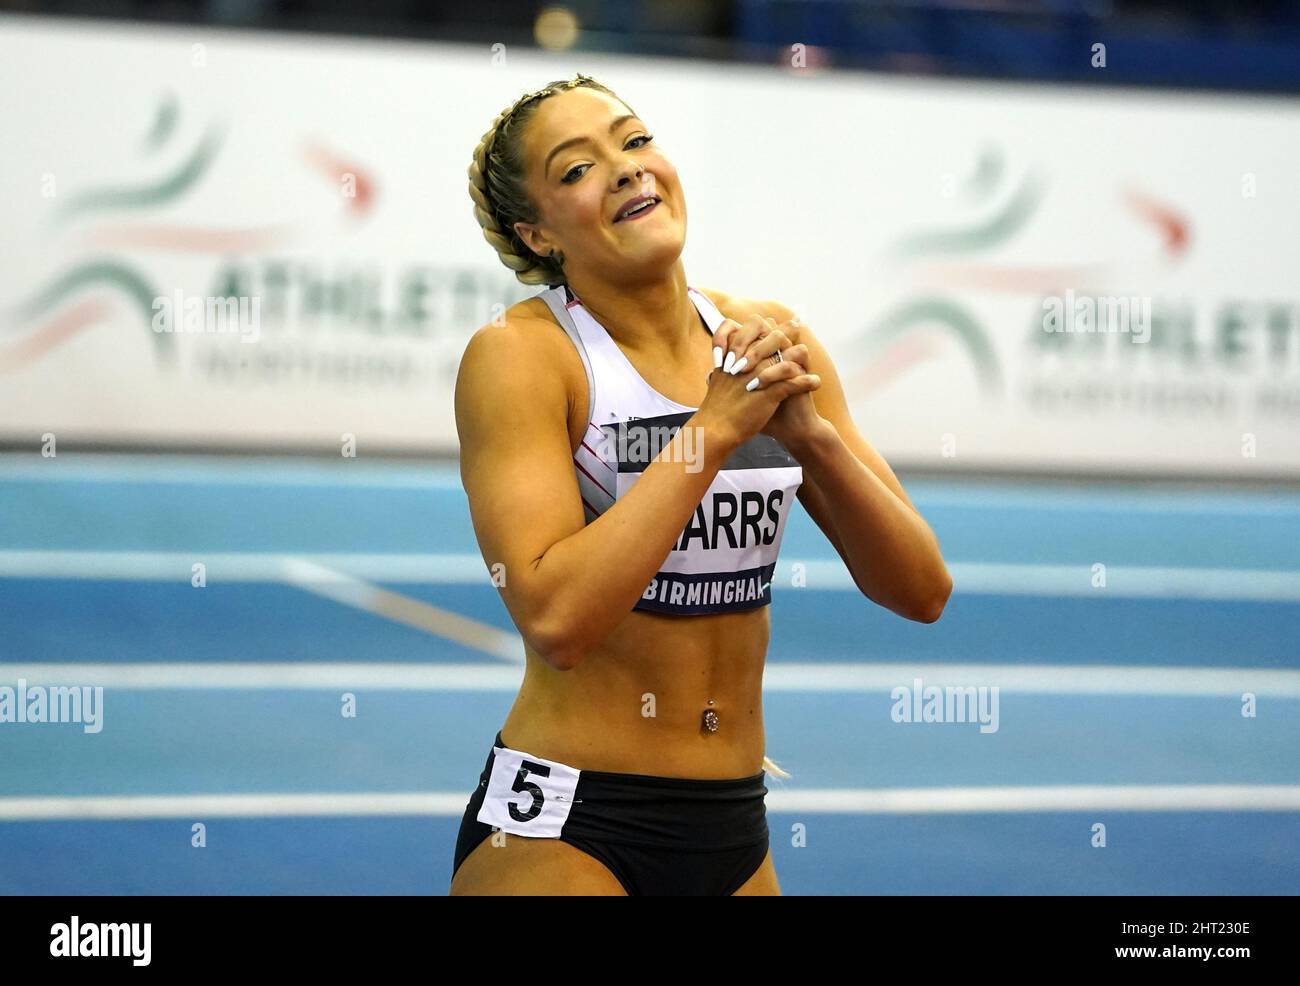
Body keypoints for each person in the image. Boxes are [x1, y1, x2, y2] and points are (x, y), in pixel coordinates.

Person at [451, 73, 952, 895]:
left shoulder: (773, 340)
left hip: (732, 827)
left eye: (635, 140)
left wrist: (812, 439)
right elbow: (557, 619)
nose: (622, 168)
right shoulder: (523, 357)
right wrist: (711, 432)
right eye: (576, 169)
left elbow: (922, 589)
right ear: (536, 234)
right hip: (569, 822)